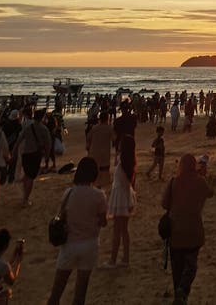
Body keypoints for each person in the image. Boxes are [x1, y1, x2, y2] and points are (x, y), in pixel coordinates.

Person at [46, 157, 107, 305]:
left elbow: (62, 215)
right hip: (90, 244)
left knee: (57, 291)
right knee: (80, 293)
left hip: (70, 244)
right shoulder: (99, 195)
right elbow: (103, 222)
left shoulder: (69, 193)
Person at [161, 153, 214, 305]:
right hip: (194, 232)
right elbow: (210, 193)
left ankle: (179, 293)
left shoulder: (174, 182)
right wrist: (203, 176)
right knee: (191, 266)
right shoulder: (200, 181)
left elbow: (164, 204)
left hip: (175, 232)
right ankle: (183, 291)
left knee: (177, 269)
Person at [106, 134, 136, 267]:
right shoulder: (130, 161)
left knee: (117, 230)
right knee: (124, 230)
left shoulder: (121, 160)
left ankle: (113, 260)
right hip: (126, 195)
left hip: (120, 196)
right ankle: (125, 258)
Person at [11, 111, 52, 207]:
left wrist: (14, 152)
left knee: (27, 175)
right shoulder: (44, 129)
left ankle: (24, 196)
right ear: (42, 118)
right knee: (30, 177)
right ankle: (25, 199)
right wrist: (47, 156)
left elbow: (19, 140)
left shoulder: (28, 128)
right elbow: (48, 144)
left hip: (26, 154)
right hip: (35, 155)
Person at [86, 112, 112, 190]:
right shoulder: (109, 128)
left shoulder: (94, 128)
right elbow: (115, 138)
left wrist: (88, 148)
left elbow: (88, 138)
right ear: (107, 119)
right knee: (103, 174)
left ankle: (96, 187)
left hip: (94, 153)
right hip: (104, 154)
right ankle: (99, 188)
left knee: (95, 172)